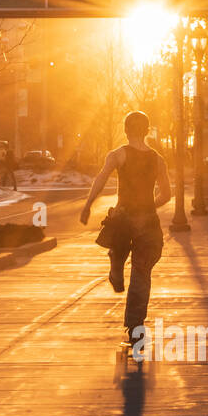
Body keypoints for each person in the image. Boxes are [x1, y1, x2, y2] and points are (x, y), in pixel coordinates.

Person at [78, 111, 172, 345]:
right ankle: (135, 327)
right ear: (147, 130)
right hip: (148, 220)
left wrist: (88, 204)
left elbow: (100, 178)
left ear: (126, 130)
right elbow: (167, 194)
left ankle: (116, 265)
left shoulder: (118, 155)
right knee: (142, 273)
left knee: (118, 246)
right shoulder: (158, 159)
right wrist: (151, 204)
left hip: (123, 218)